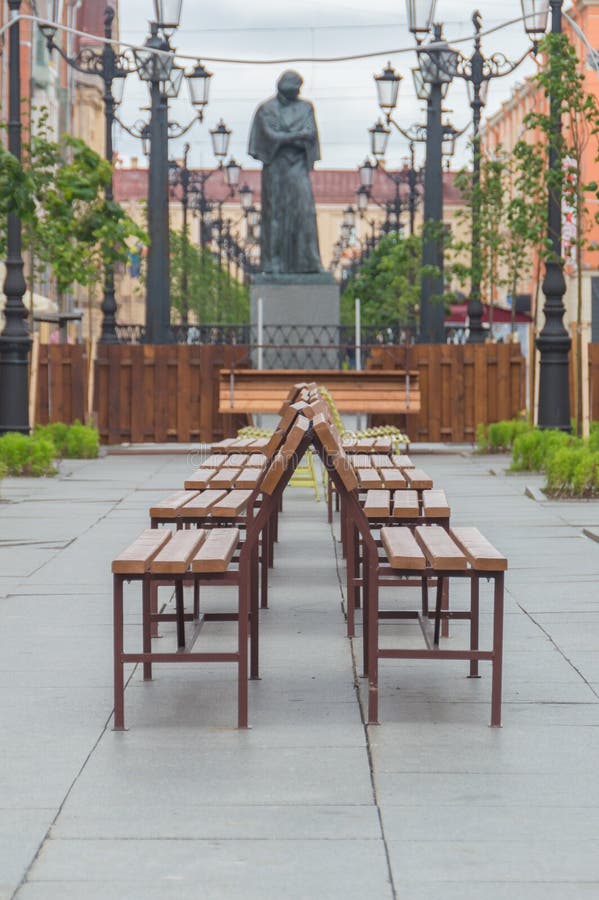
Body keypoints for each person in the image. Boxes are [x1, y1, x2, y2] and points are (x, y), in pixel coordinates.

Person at [248, 70, 323, 275]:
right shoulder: (267, 109)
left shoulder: (306, 107)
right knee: (275, 214)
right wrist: (296, 136)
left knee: (305, 211)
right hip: (275, 167)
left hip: (298, 167)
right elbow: (269, 136)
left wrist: (285, 137)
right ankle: (273, 263)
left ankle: (308, 262)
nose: (297, 92)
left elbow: (311, 135)